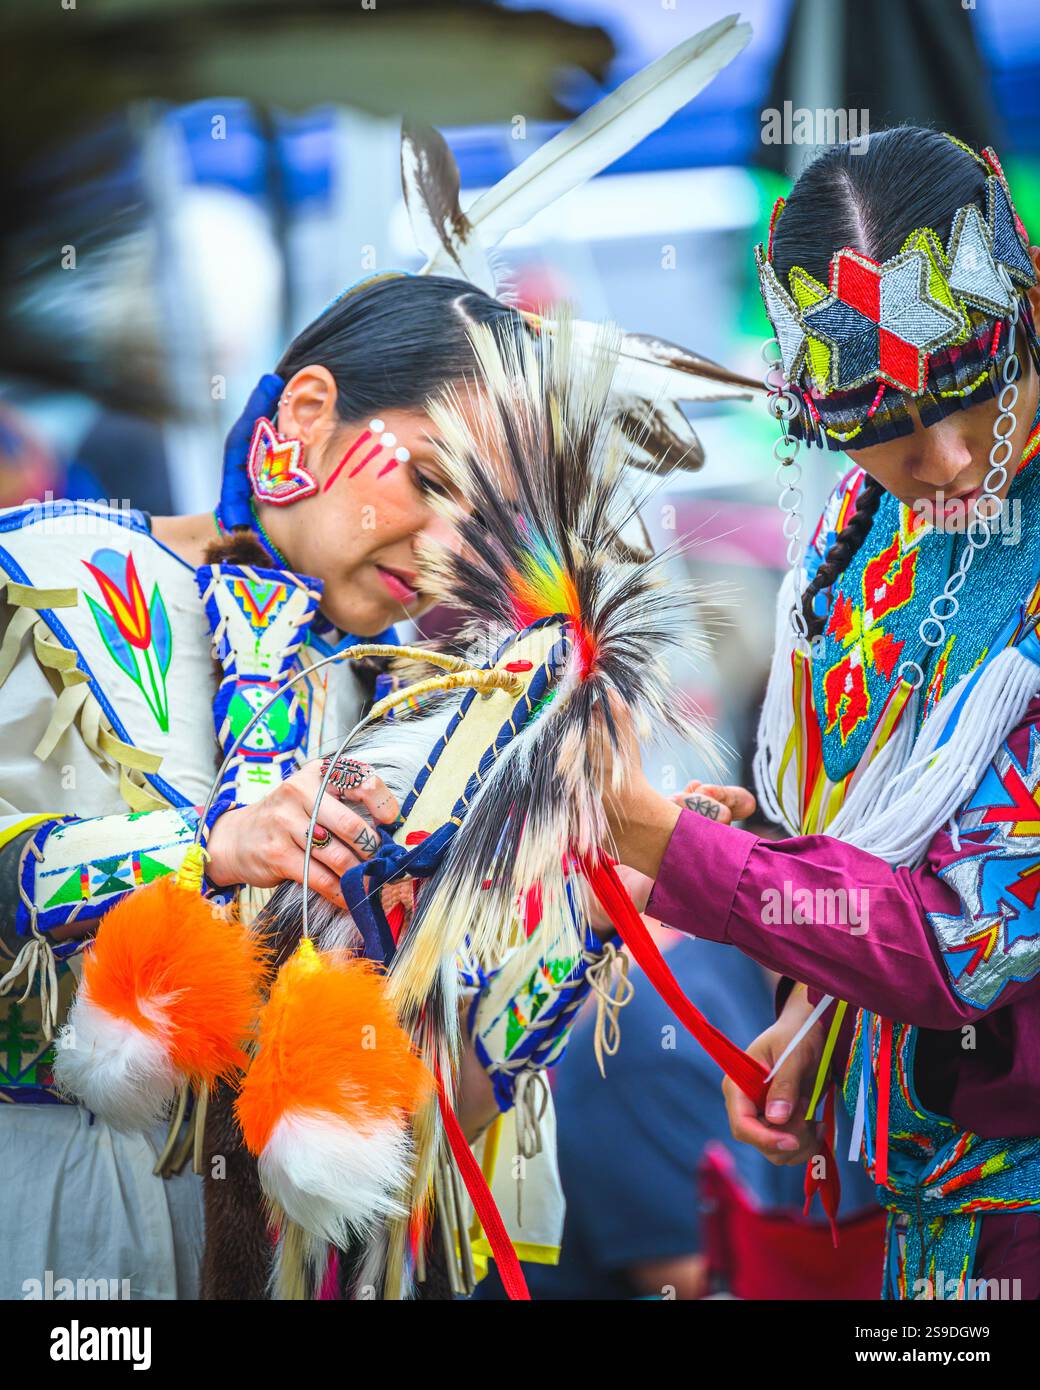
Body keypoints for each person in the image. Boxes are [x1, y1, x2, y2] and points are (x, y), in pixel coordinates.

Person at [0, 273, 623, 1300]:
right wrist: (205, 847)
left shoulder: (404, 719)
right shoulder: (53, 578)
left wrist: (589, 916)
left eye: (482, 528)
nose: (442, 554)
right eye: (427, 480)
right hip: (47, 1222)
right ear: (307, 414)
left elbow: (414, 1114)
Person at [601, 128, 1040, 1300]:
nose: (948, 462)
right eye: (883, 438)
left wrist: (675, 849)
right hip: (922, 1194)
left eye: (979, 399)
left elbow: (964, 940)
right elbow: (861, 838)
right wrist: (811, 1013)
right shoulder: (852, 533)